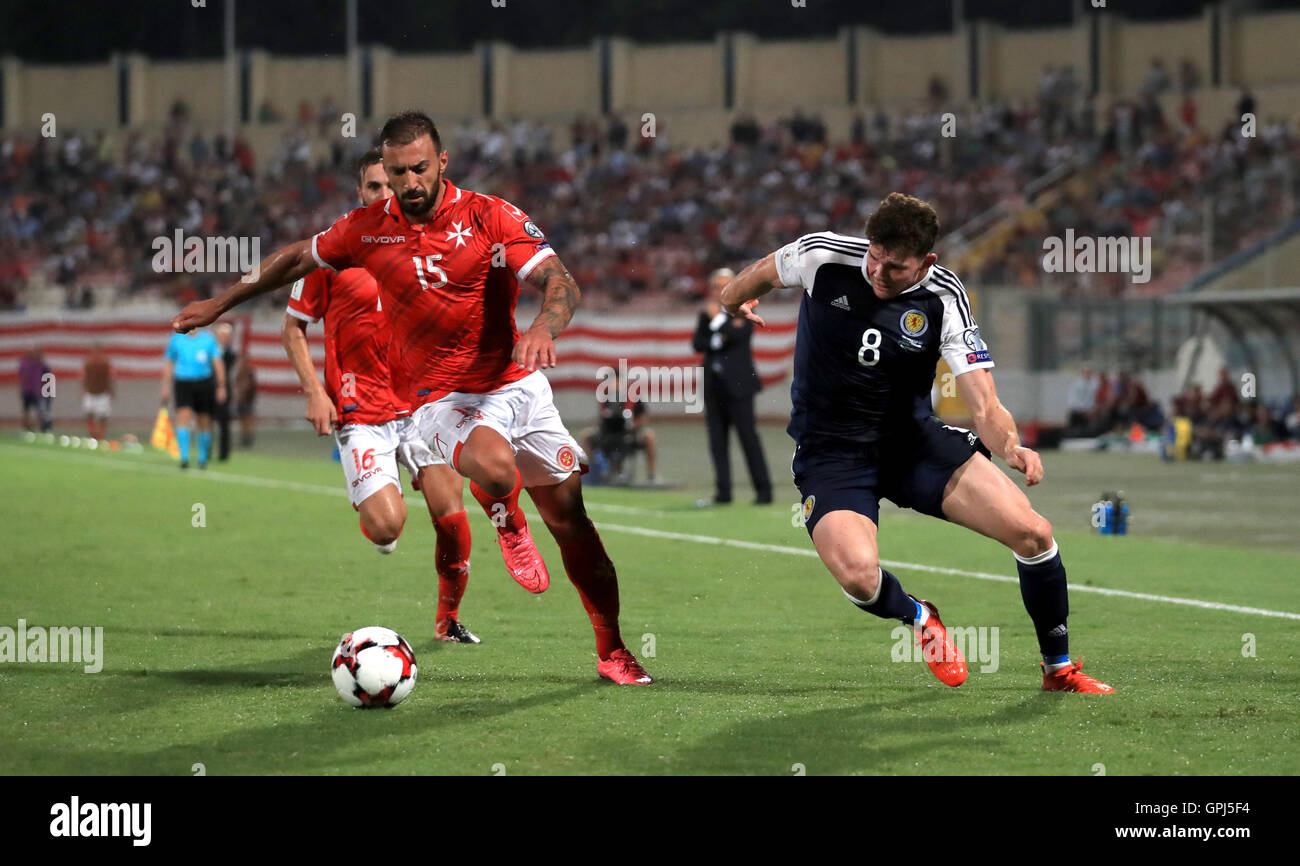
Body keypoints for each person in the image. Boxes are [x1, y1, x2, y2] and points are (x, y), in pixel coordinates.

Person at [172, 111, 652, 685]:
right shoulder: (367, 229)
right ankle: (505, 514)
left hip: (517, 384)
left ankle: (612, 649)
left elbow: (559, 280)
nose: (410, 182)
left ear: (442, 162)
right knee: (495, 470)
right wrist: (218, 304)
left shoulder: (489, 216)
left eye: (419, 168)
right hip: (438, 399)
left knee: (572, 518)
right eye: (398, 172)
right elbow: (299, 258)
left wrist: (544, 327)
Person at [720, 191, 1113, 693]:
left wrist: (1011, 446)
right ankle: (919, 616)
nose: (879, 274)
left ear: (926, 262)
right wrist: (733, 302)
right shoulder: (821, 255)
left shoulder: (944, 297)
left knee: (1033, 533)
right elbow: (753, 277)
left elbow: (984, 405)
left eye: (896, 267)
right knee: (860, 580)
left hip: (912, 443)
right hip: (831, 452)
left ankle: (1058, 670)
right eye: (875, 258)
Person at [282, 149, 479, 643]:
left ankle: (448, 620)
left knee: (450, 513)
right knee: (389, 527)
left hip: (421, 406)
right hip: (361, 412)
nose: (385, 195)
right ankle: (378, 510)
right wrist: (314, 392)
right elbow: (293, 328)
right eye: (374, 187)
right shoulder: (333, 251)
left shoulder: (430, 244)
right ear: (360, 193)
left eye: (391, 185)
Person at [693, 268, 772, 504]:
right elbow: (698, 343)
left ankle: (763, 492)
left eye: (725, 284)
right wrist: (717, 337)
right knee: (717, 442)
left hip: (739, 386)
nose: (720, 290)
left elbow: (737, 334)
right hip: (713, 386)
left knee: (748, 438)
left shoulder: (743, 308)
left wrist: (715, 322)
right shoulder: (705, 313)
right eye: (716, 286)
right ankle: (723, 493)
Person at [162, 327, 225, 469]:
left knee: (203, 420)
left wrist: (221, 385)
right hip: (183, 382)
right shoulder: (177, 339)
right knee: (183, 417)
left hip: (204, 382)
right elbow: (169, 362)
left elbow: (217, 362)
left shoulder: (208, 339)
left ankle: (202, 458)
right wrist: (165, 386)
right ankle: (184, 457)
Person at [214, 323, 237, 461]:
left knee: (224, 422)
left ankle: (224, 453)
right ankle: (205, 451)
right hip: (209, 388)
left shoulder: (229, 354)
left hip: (224, 390)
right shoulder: (211, 351)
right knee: (205, 420)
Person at [82, 343, 113, 440]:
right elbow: (84, 378)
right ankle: (92, 433)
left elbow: (109, 378)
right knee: (89, 414)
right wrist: (83, 389)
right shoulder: (88, 364)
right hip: (91, 393)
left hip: (102, 394)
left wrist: (111, 391)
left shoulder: (105, 364)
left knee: (103, 416)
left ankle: (101, 435)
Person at [19, 346, 53, 433]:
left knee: (41, 410)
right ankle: (27, 428)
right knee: (26, 410)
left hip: (38, 391)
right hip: (27, 390)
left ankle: (43, 427)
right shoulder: (24, 363)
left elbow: (48, 376)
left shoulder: (41, 364)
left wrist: (49, 390)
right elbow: (22, 377)